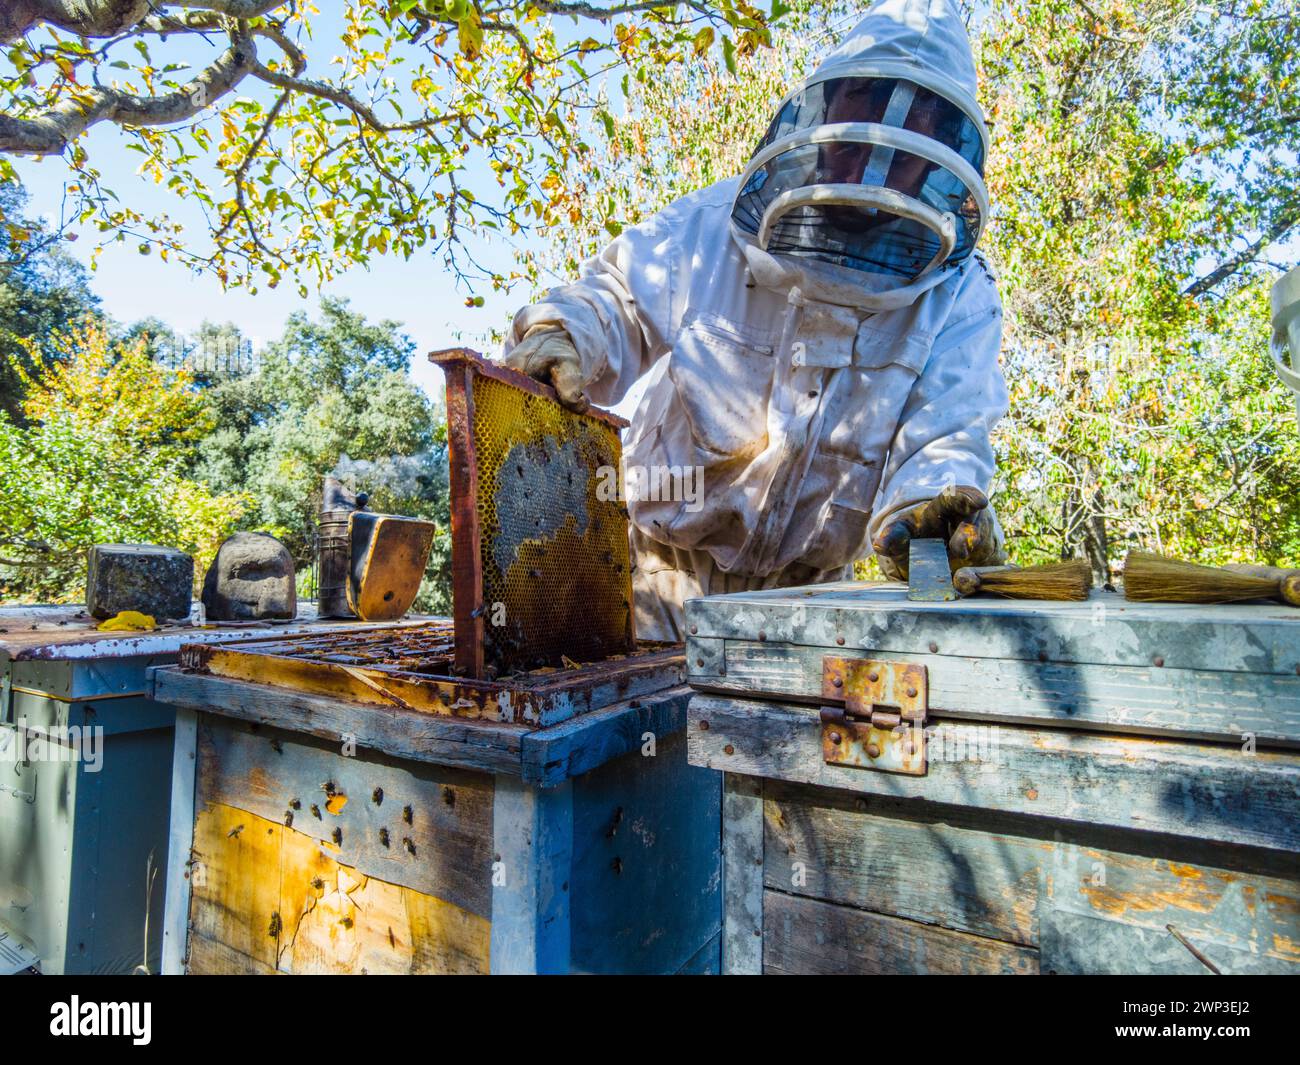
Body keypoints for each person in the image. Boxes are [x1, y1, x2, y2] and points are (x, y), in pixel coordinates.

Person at [503, 0, 1008, 640]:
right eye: (861, 113)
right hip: (652, 584)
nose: (867, 166)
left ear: (939, 152)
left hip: (815, 612)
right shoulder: (713, 226)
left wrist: (936, 509)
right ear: (826, 106)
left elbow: (946, 435)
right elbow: (619, 298)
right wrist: (565, 334)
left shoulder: (958, 295)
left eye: (904, 140)